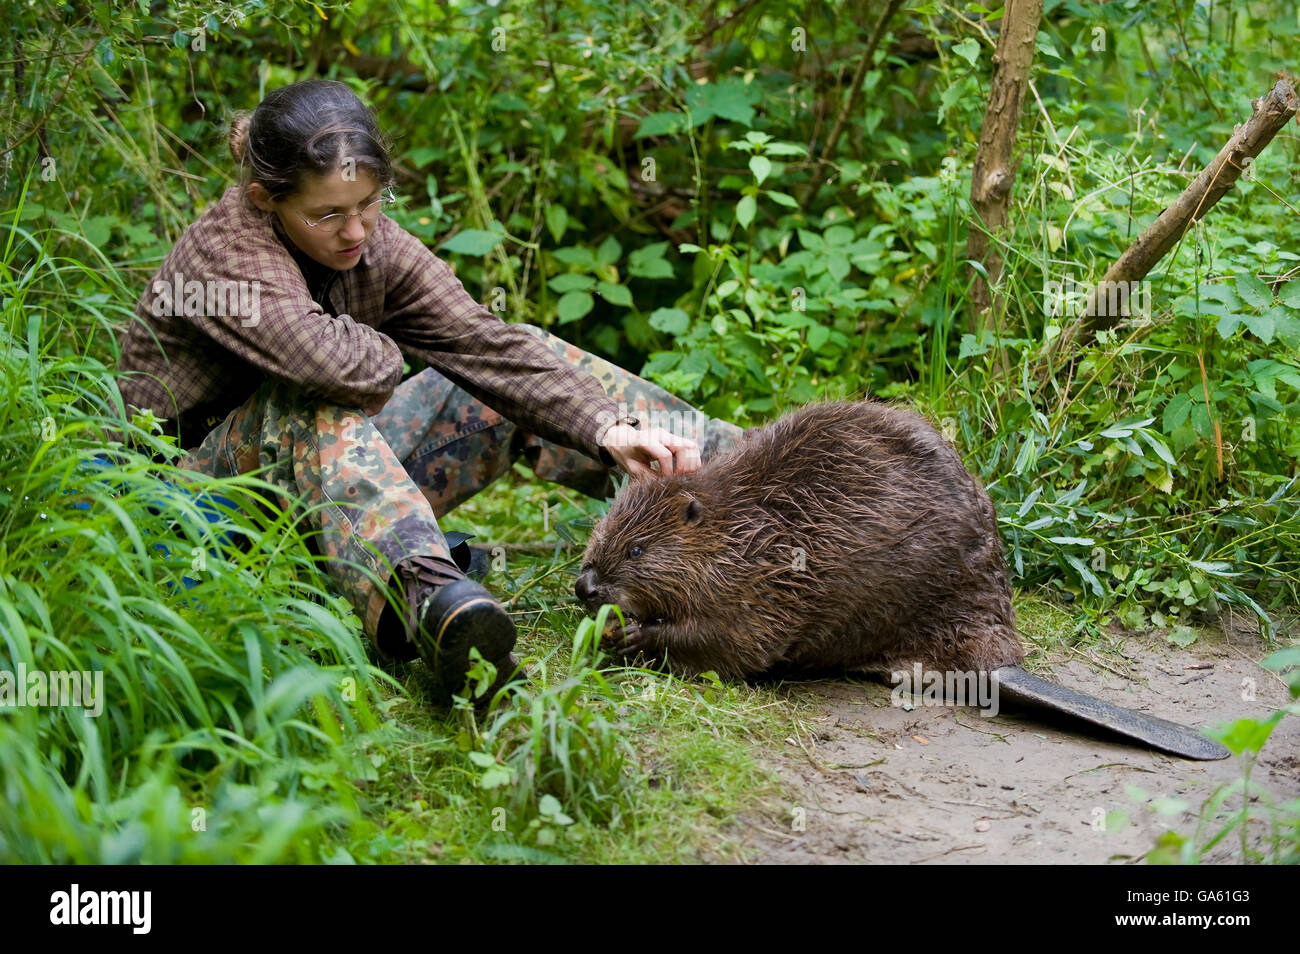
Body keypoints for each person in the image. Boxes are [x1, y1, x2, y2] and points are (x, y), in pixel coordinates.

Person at [116, 79, 743, 702]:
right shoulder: (226, 254)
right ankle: (434, 608)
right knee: (311, 399)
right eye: (328, 214)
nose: (356, 231)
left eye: (368, 203)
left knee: (514, 356)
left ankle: (745, 477)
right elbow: (336, 370)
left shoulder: (365, 235)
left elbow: (481, 342)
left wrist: (610, 429)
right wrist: (398, 345)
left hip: (327, 497)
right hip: (199, 511)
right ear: (264, 199)